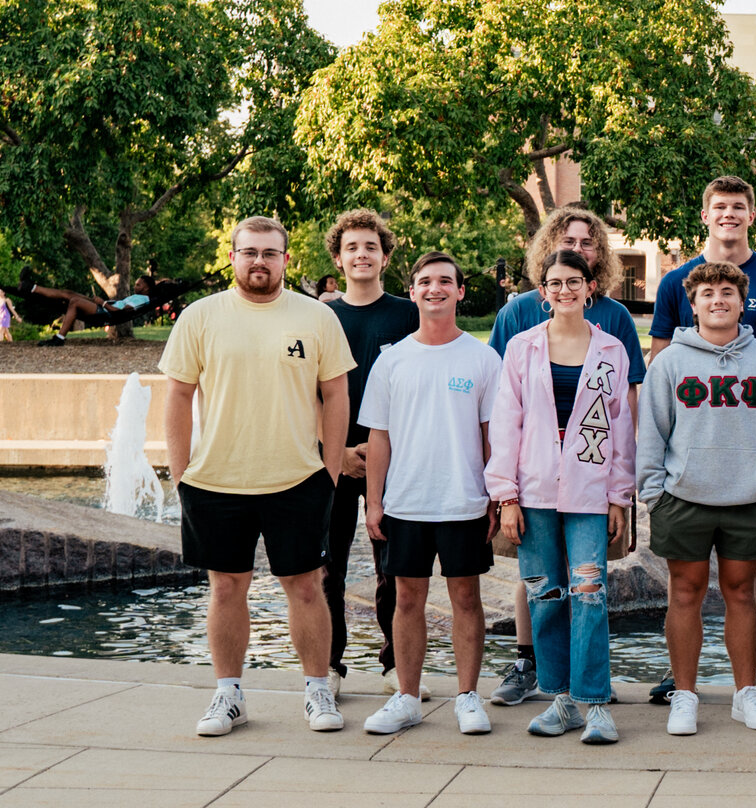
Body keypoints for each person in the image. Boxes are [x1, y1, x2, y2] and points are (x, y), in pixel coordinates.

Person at [160, 216, 354, 737]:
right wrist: (182, 476)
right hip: (215, 482)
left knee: (307, 588)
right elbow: (177, 397)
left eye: (270, 253)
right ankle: (229, 696)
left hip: (297, 479)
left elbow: (335, 395)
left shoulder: (316, 318)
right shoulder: (200, 317)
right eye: (249, 252)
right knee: (226, 589)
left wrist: (329, 472)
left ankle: (317, 689)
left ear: (287, 259)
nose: (259, 262)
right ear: (233, 257)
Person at [649, 176, 756, 708]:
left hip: (750, 485)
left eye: (738, 206)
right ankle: (683, 684)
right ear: (705, 214)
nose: (729, 214)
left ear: (751, 214)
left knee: (755, 581)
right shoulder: (676, 288)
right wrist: (654, 491)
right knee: (686, 591)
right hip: (687, 485)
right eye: (719, 206)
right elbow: (658, 403)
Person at [487, 206, 644, 707]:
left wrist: (621, 497)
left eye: (574, 280)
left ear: (590, 286)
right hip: (533, 491)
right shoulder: (521, 346)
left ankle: (593, 698)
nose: (564, 289)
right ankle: (557, 697)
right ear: (543, 289)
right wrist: (505, 496)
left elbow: (621, 427)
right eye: (555, 282)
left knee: (590, 594)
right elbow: (505, 426)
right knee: (545, 594)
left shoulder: (611, 348)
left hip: (589, 492)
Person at [639, 259, 756, 736]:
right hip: (684, 498)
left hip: (749, 497)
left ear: (743, 303)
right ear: (694, 302)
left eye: (728, 291)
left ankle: (747, 693)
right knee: (685, 594)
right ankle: (685, 694)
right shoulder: (669, 362)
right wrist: (653, 495)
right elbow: (652, 433)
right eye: (708, 292)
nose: (718, 299)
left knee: (742, 594)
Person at [360, 251, 502, 736]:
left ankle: (467, 697)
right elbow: (379, 437)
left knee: (466, 597)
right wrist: (374, 501)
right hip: (406, 501)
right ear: (413, 290)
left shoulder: (483, 358)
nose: (435, 288)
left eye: (445, 281)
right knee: (406, 600)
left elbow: (492, 436)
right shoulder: (392, 360)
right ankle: (406, 697)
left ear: (461, 292)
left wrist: (495, 497)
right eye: (425, 281)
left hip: (464, 500)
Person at [320, 209, 418, 702]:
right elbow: (307, 392)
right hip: (331, 461)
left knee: (394, 568)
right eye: (352, 247)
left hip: (393, 459)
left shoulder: (407, 314)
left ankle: (394, 662)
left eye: (371, 247)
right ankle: (330, 665)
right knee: (327, 568)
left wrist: (381, 449)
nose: (362, 254)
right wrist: (335, 452)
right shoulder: (323, 317)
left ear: (384, 256)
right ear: (338, 259)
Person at [22, 273, 155, 346]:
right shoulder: (137, 296)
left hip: (106, 313)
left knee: (74, 301)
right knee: (69, 293)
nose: (135, 286)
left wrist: (102, 303)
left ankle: (59, 338)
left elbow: (120, 312)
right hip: (105, 307)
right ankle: (32, 288)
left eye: (138, 284)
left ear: (147, 288)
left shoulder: (142, 299)